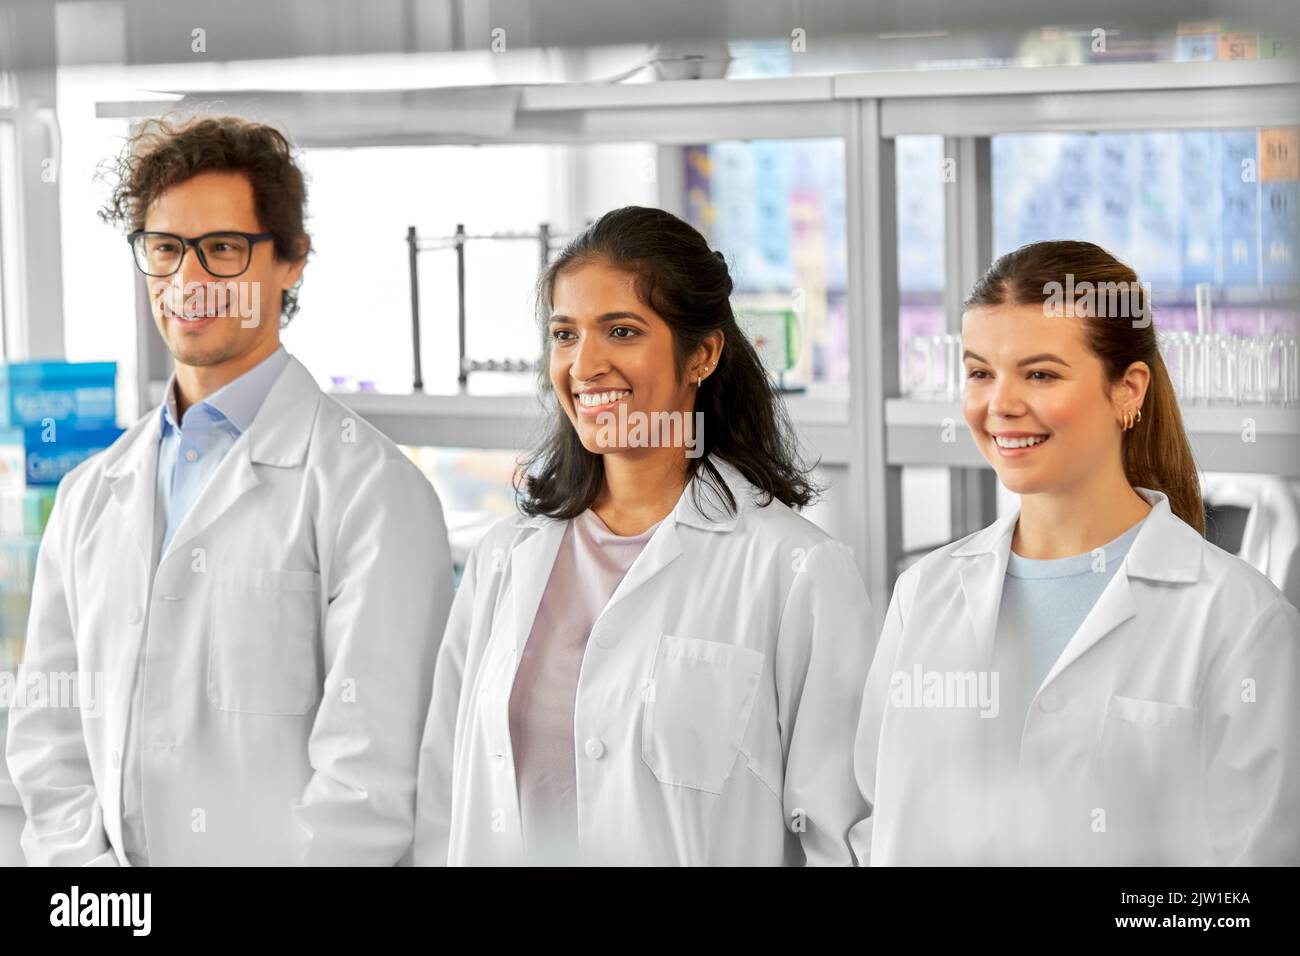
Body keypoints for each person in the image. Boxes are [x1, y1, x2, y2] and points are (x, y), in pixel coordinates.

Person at [5, 114, 455, 866]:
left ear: (291, 261)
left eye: (222, 249)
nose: (188, 281)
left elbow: (371, 787)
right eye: (165, 248)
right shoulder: (90, 497)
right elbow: (50, 748)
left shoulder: (376, 494)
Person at [414, 206, 874, 866]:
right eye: (565, 334)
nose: (585, 364)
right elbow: (443, 801)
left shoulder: (795, 568)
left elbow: (839, 836)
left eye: (622, 331)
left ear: (704, 353)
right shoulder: (504, 558)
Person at [851, 240, 1300, 865]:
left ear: (1127, 392)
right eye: (981, 372)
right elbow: (879, 825)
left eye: (1040, 374)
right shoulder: (922, 595)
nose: (1001, 404)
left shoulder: (1239, 620)